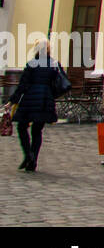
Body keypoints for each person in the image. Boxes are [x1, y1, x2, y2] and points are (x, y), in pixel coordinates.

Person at [10, 40, 69, 173]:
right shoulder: (54, 64)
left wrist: (12, 100)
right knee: (37, 130)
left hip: (30, 98)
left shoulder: (32, 64)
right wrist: (52, 94)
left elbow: (23, 85)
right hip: (45, 98)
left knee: (22, 127)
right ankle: (33, 159)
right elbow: (61, 83)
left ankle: (28, 155)